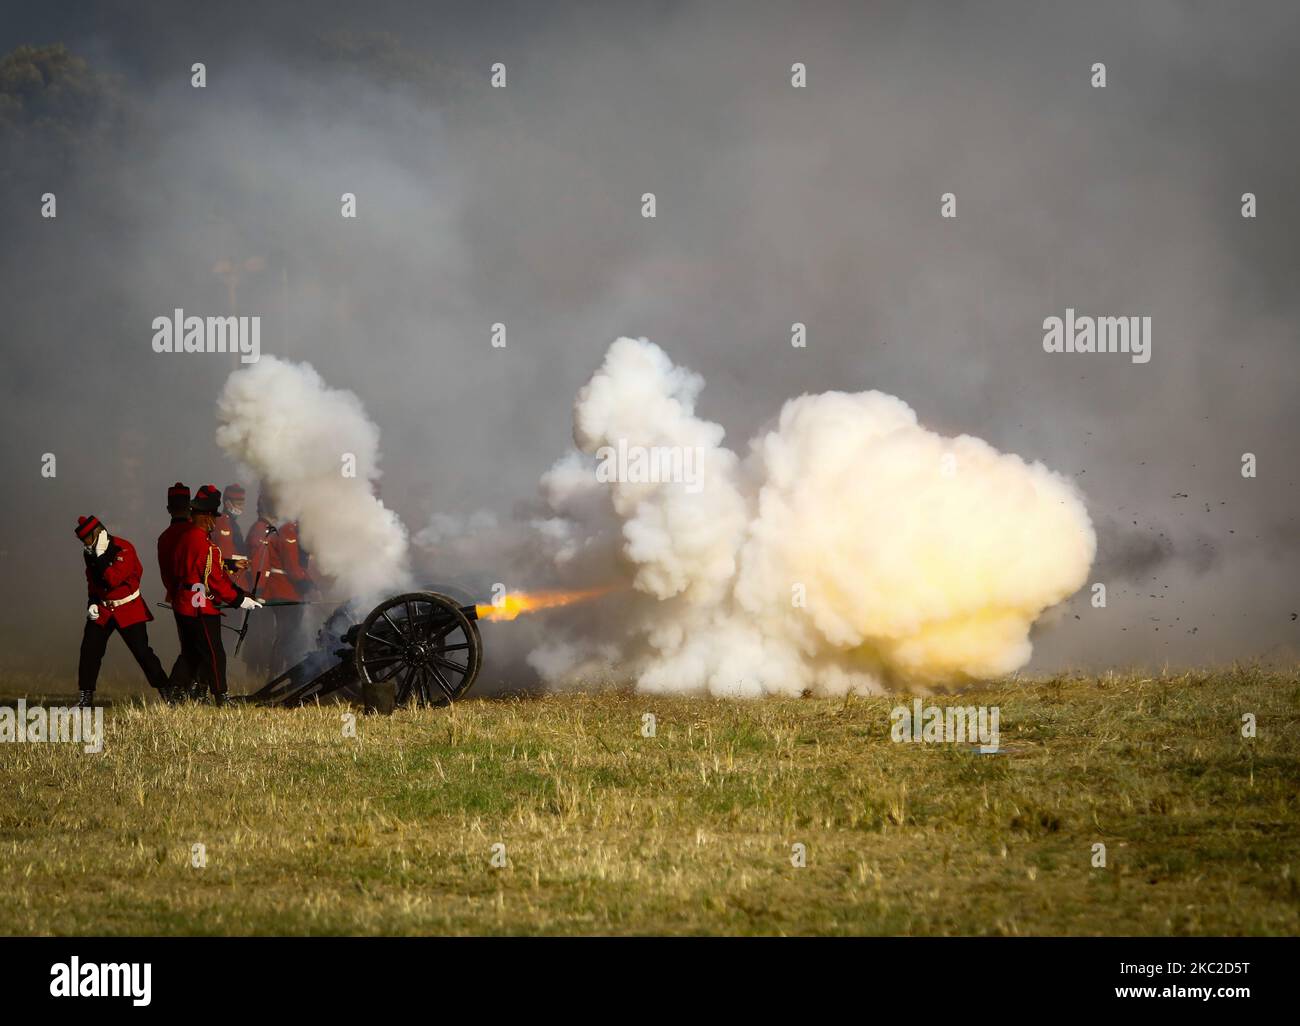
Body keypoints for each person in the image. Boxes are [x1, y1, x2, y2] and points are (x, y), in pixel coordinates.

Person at [172, 485, 263, 706]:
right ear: (204, 516)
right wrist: (240, 600)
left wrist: (239, 590)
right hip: (200, 604)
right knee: (215, 653)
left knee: (192, 652)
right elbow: (215, 580)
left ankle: (174, 692)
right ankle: (220, 696)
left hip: (186, 601)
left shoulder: (188, 538)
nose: (214, 521)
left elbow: (206, 570)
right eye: (212, 516)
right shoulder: (203, 544)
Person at [75, 515, 171, 707]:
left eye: (86, 539)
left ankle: (166, 691)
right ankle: (86, 696)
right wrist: (92, 602)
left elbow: (113, 579)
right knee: (89, 651)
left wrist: (101, 556)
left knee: (143, 652)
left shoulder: (124, 548)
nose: (84, 544)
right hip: (103, 608)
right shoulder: (90, 552)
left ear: (97, 533)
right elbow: (93, 581)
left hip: (127, 608)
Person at [156, 482, 196, 702]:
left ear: (169, 508)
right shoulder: (194, 533)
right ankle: (179, 687)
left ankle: (186, 687)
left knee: (190, 644)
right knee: (197, 646)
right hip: (197, 597)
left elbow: (165, 573)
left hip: (178, 596)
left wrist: (172, 592)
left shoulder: (164, 537)